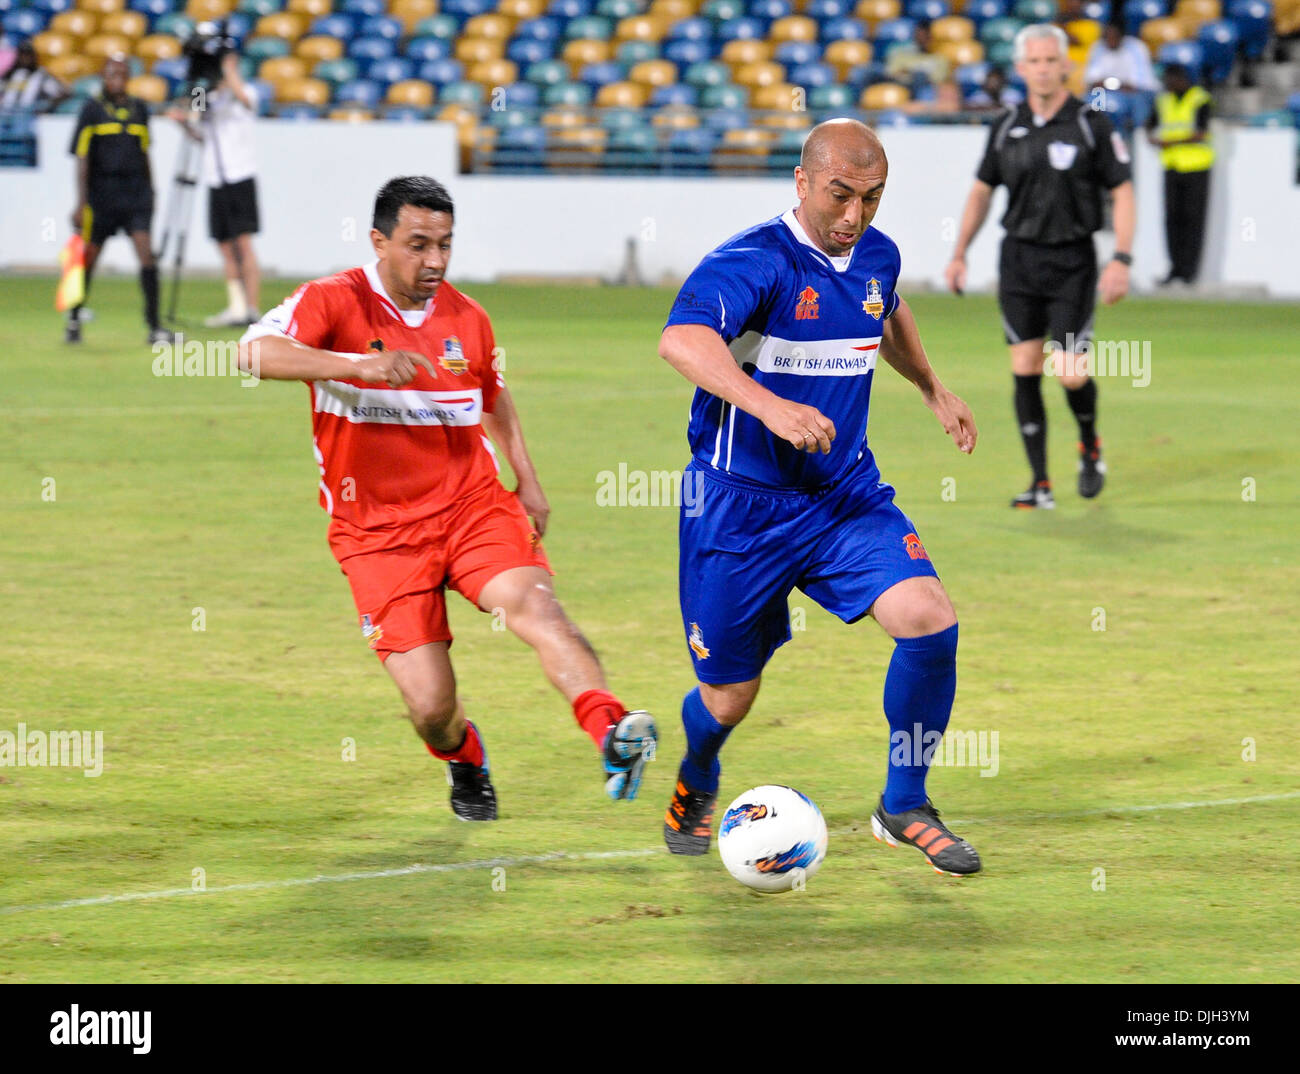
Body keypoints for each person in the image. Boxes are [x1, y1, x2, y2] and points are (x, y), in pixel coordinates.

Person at [237, 176, 656, 821]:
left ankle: (611, 731)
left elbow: (492, 395)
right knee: (432, 705)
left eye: (445, 245)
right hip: (376, 534)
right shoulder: (331, 301)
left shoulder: (468, 318)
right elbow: (251, 353)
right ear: (379, 241)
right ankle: (464, 758)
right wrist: (353, 365)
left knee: (537, 609)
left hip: (472, 507)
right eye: (417, 245)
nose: (434, 261)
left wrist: (528, 478)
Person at [658, 119, 983, 877]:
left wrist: (931, 385)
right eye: (840, 195)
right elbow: (683, 340)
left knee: (929, 620)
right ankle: (698, 771)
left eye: (871, 198)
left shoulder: (876, 252)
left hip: (841, 495)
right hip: (738, 508)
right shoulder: (752, 262)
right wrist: (768, 406)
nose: (853, 217)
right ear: (802, 182)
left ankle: (903, 805)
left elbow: (886, 307)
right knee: (730, 695)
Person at [945, 24, 1134, 509]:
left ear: (1066, 66)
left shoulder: (1093, 122)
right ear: (1021, 68)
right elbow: (982, 191)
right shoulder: (1006, 124)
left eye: (1052, 60)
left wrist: (1122, 257)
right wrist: (960, 251)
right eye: (1035, 61)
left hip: (1073, 261)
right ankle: (1040, 483)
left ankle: (1089, 445)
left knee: (1069, 370)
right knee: (1025, 367)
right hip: (1020, 260)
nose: (1044, 69)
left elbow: (1123, 190)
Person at [67, 54, 171, 345]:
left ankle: (154, 326)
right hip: (102, 195)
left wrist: (153, 192)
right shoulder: (91, 110)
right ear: (103, 77)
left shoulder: (140, 109)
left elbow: (145, 153)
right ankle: (74, 319)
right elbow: (82, 158)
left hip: (136, 194)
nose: (117, 80)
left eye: (122, 74)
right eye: (112, 74)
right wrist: (81, 202)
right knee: (88, 257)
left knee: (146, 255)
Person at [1146, 63, 1213, 287]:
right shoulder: (1163, 100)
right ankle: (1174, 268)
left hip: (1196, 166)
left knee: (1193, 220)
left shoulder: (1200, 98)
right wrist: (1152, 137)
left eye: (1171, 79)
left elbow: (1201, 132)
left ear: (1182, 78)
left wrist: (1169, 142)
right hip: (1172, 165)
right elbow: (1149, 125)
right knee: (1172, 219)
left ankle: (1190, 272)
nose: (1169, 84)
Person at [0, 40, 67, 112]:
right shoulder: (10, 74)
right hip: (5, 113)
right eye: (22, 55)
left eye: (28, 55)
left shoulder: (41, 75)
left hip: (28, 115)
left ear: (34, 56)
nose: (25, 59)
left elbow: (60, 93)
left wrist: (44, 107)